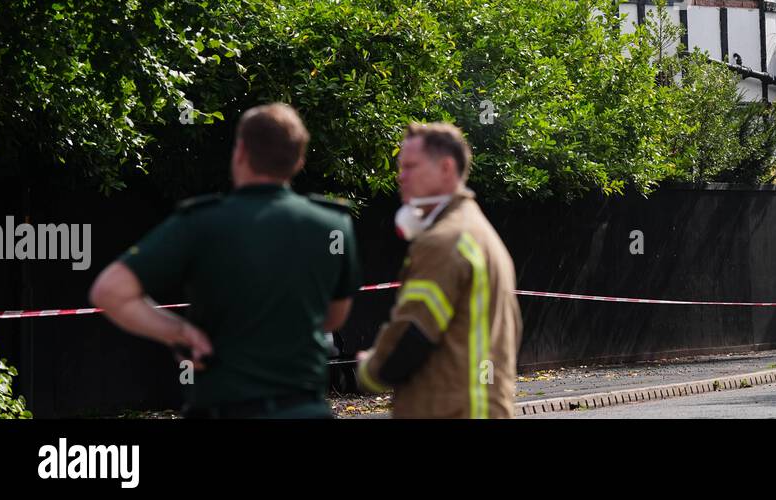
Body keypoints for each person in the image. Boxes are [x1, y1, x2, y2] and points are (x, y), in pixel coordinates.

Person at [90, 103, 361, 418]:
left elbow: (110, 291)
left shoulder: (199, 222)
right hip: (304, 408)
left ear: (240, 152)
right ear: (299, 159)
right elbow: (333, 318)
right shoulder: (333, 225)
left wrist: (180, 332)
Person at [356, 122, 522, 418]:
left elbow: (413, 334)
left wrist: (370, 369)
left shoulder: (443, 241)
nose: (400, 177)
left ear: (446, 168)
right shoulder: (478, 233)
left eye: (410, 167)